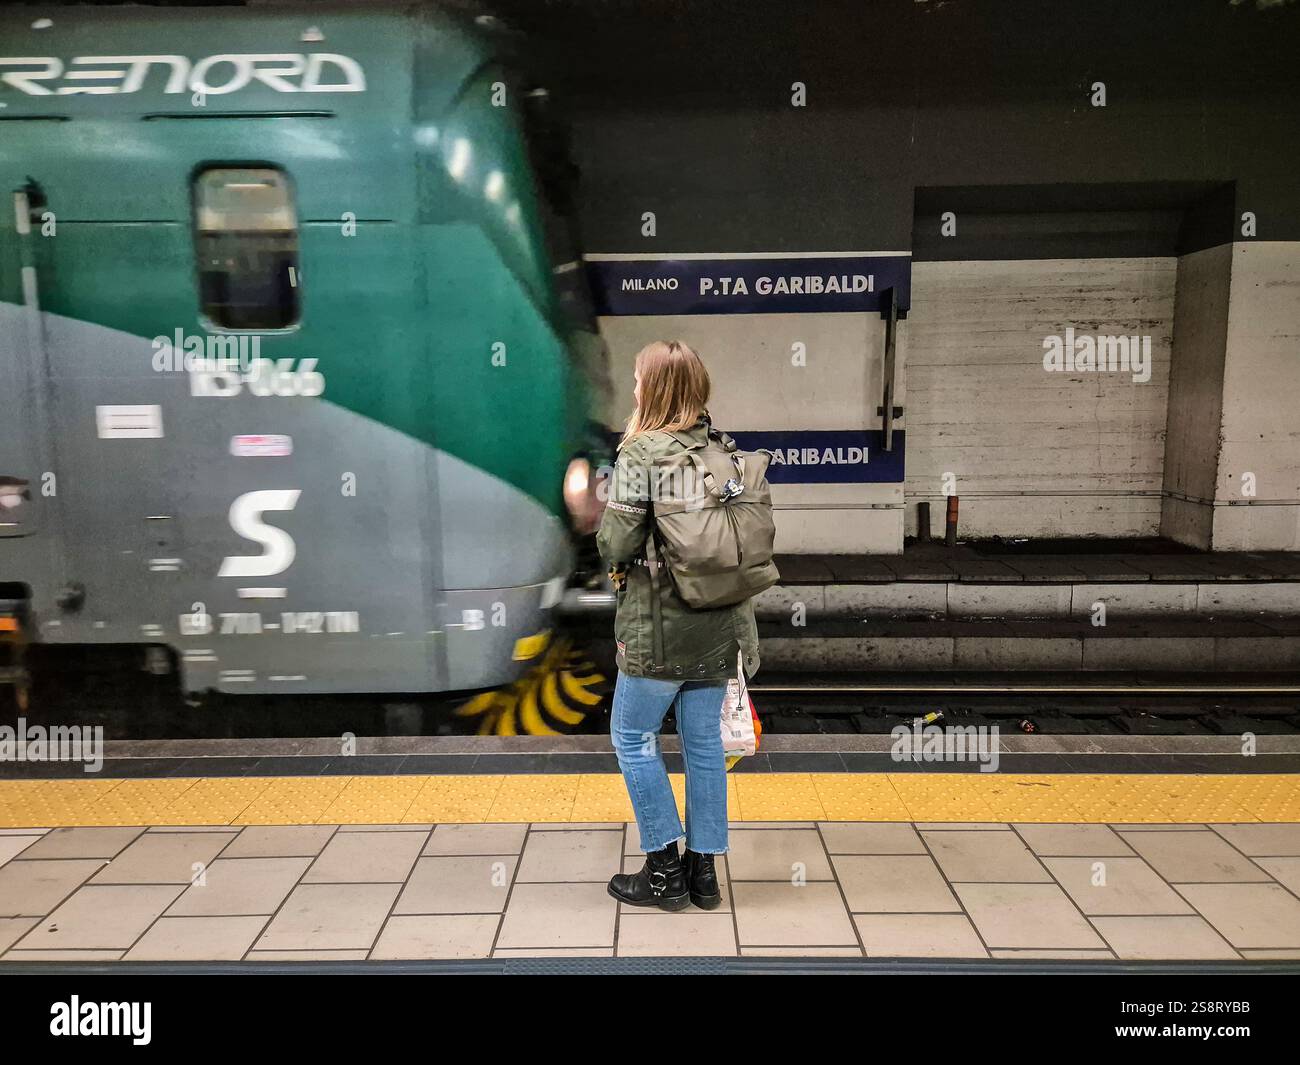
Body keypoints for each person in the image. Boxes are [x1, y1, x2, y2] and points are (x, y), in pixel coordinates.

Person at [596, 340, 760, 911]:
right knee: (702, 745)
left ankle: (663, 870)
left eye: (641, 380)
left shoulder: (641, 454)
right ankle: (704, 875)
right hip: (718, 626)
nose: (635, 388)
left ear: (658, 389)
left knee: (633, 737)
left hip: (658, 627)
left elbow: (616, 542)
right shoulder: (720, 450)